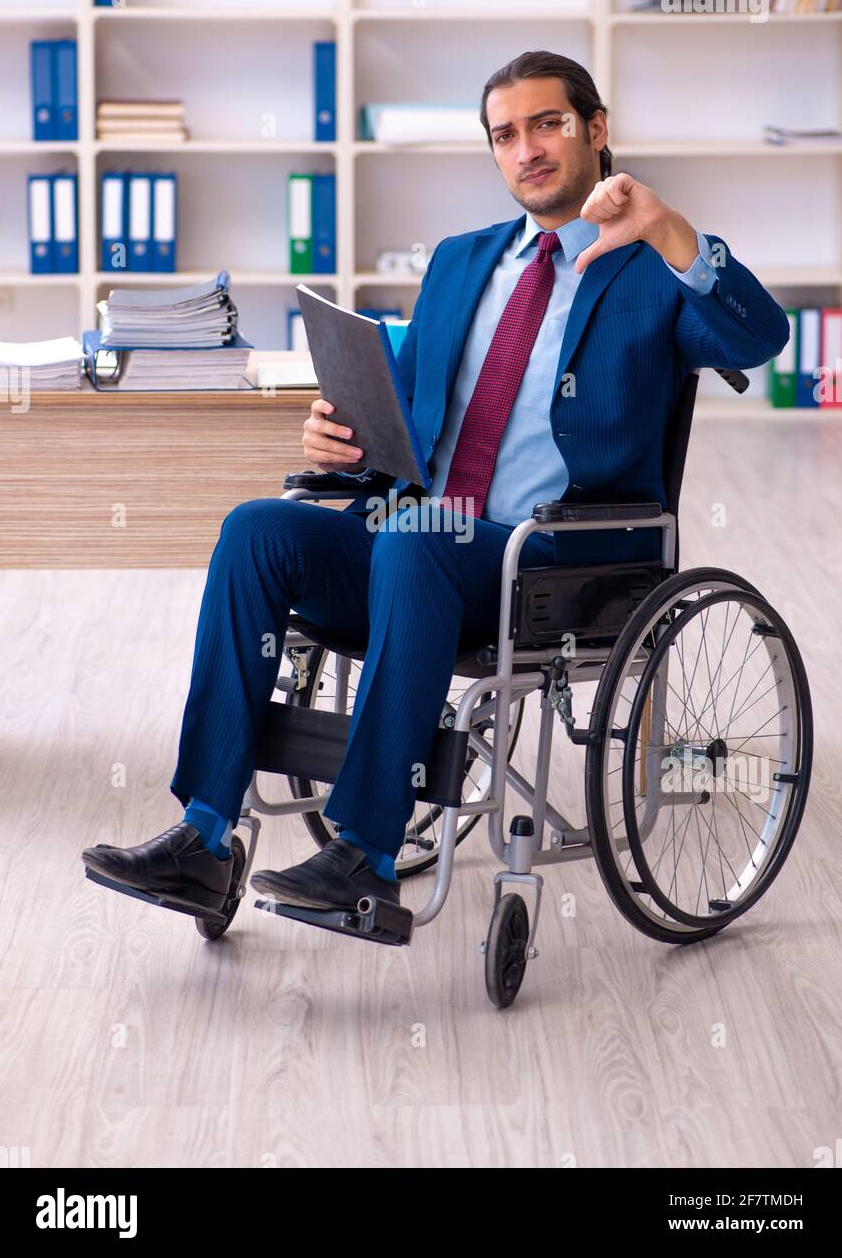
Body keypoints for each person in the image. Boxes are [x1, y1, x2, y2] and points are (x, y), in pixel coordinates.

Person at [82, 50, 789, 920]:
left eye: (546, 124)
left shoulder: (653, 270)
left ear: (595, 130)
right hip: (420, 546)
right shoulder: (461, 262)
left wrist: (666, 226)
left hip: (550, 562)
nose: (525, 148)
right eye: (504, 134)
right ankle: (203, 836)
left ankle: (367, 857)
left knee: (418, 538)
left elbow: (759, 337)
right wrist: (345, 442)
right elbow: (406, 428)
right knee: (255, 530)